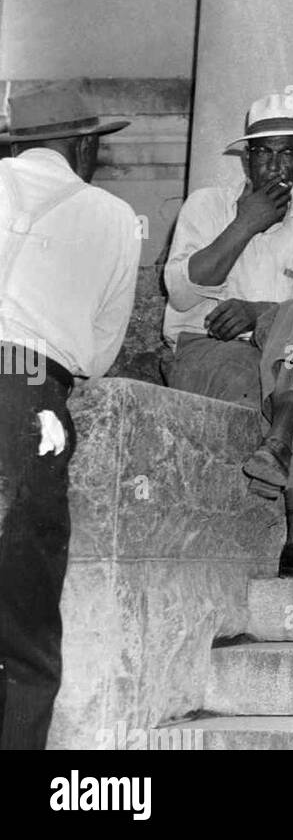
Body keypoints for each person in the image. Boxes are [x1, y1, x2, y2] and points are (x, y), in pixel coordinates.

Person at [163, 86, 293, 581]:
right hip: (207, 352)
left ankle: (278, 443)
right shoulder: (207, 206)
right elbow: (180, 294)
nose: (277, 166)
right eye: (265, 154)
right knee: (290, 374)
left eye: (289, 155)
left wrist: (257, 310)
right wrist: (246, 223)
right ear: (247, 159)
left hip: (281, 356)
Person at [0, 83, 139, 750]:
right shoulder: (112, 217)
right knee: (24, 629)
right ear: (84, 145)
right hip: (26, 391)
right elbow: (99, 357)